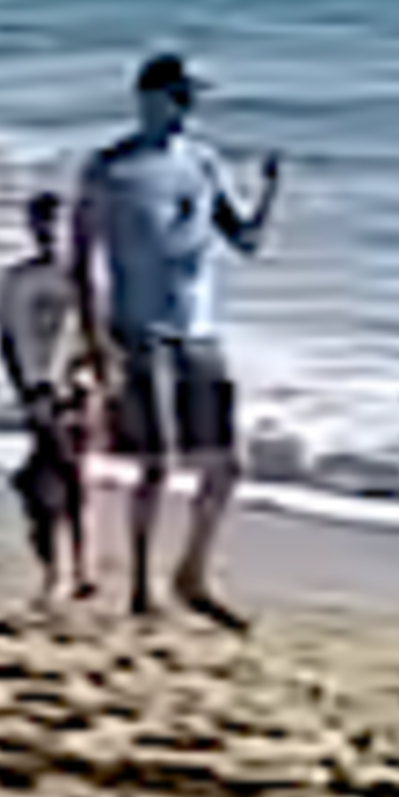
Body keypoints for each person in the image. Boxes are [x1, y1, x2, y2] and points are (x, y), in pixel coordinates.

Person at [71, 52, 279, 627]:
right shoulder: (109, 168)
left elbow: (245, 241)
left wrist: (268, 194)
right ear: (150, 98)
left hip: (199, 326)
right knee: (157, 463)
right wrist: (94, 342)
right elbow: (80, 260)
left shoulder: (205, 162)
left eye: (194, 98)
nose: (190, 108)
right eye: (182, 96)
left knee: (225, 463)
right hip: (138, 329)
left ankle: (192, 574)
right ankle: (140, 588)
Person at [0, 189, 95, 603]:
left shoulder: (81, 278)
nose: (48, 232)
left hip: (74, 389)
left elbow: (95, 333)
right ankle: (64, 571)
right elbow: (6, 338)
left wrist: (85, 379)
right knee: (53, 477)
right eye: (41, 223)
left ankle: (71, 570)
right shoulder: (16, 280)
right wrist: (25, 387)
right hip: (36, 389)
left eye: (55, 223)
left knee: (66, 476)